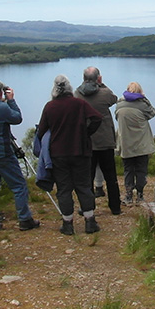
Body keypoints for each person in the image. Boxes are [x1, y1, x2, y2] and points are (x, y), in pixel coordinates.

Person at [36, 75, 103, 235]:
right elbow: (97, 118)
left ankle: (67, 224)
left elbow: (41, 131)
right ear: (69, 88)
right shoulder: (79, 104)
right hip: (80, 151)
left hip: (58, 154)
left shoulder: (50, 107)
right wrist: (86, 133)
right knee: (84, 186)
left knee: (64, 189)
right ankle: (90, 222)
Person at [0, 79, 40, 233]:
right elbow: (17, 118)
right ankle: (25, 219)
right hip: (2, 152)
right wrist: (11, 100)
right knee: (19, 185)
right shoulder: (1, 108)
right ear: (0, 92)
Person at [73, 66, 122, 215]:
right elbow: (114, 99)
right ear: (98, 78)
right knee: (110, 176)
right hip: (105, 140)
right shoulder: (105, 93)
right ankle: (115, 207)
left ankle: (88, 207)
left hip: (87, 141)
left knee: (88, 177)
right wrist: (101, 84)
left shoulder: (77, 94)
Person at [114, 81, 155, 204]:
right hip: (142, 144)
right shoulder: (142, 105)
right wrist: (145, 98)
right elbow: (153, 113)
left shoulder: (119, 105)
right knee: (141, 169)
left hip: (126, 143)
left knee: (128, 169)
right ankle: (140, 195)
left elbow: (117, 117)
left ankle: (128, 196)